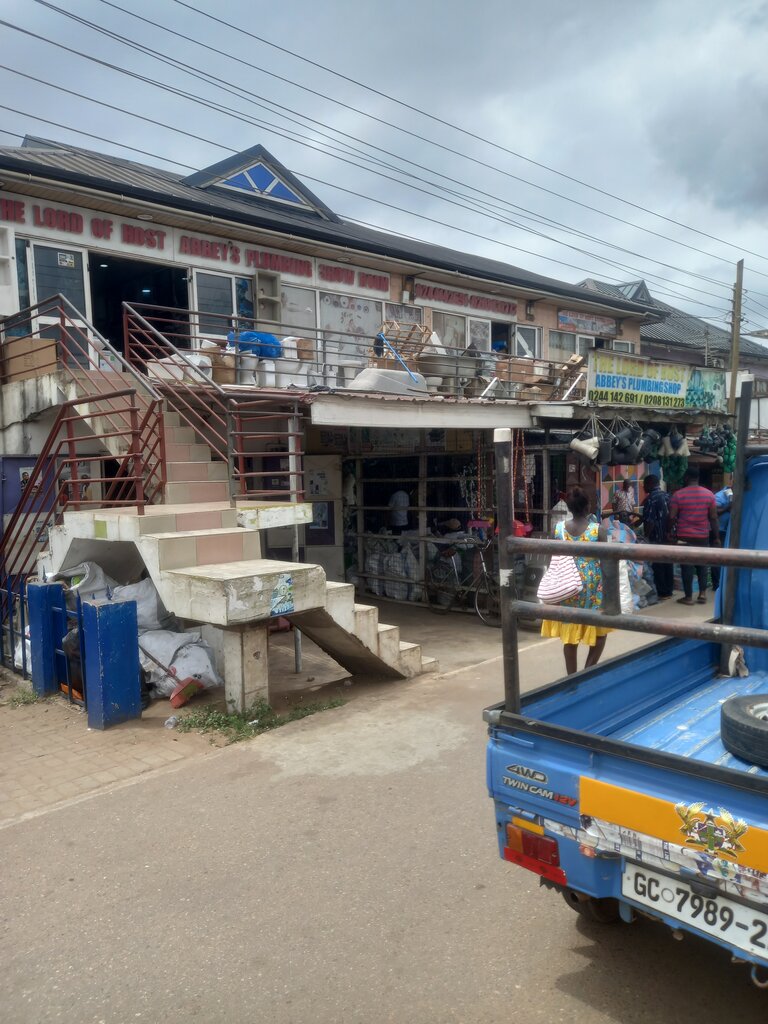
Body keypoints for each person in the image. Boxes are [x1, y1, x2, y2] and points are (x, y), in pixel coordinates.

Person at [541, 486, 611, 675]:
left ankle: (571, 678)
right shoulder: (598, 530)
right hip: (592, 588)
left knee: (570, 636)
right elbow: (607, 563)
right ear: (588, 506)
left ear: (569, 508)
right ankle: (587, 672)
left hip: (567, 585)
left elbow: (551, 559)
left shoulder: (558, 529)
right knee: (600, 632)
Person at [668, 466, 720, 606]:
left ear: (686, 478)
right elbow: (713, 517)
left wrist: (670, 532)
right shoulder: (709, 495)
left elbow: (671, 517)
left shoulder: (678, 495)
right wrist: (716, 537)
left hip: (684, 536)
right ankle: (702, 594)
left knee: (687, 566)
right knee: (702, 565)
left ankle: (688, 597)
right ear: (698, 478)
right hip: (703, 536)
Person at [641, 475, 673, 600]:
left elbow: (650, 521)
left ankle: (662, 592)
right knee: (668, 563)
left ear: (649, 484)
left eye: (644, 484)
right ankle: (669, 591)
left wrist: (646, 536)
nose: (643, 487)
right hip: (668, 536)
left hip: (657, 537)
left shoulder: (651, 499)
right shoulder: (667, 496)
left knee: (658, 565)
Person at [710, 486, 733, 591]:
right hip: (719, 531)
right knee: (717, 557)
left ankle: (725, 582)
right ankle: (717, 584)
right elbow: (713, 512)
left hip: (730, 531)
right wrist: (727, 508)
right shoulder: (720, 496)